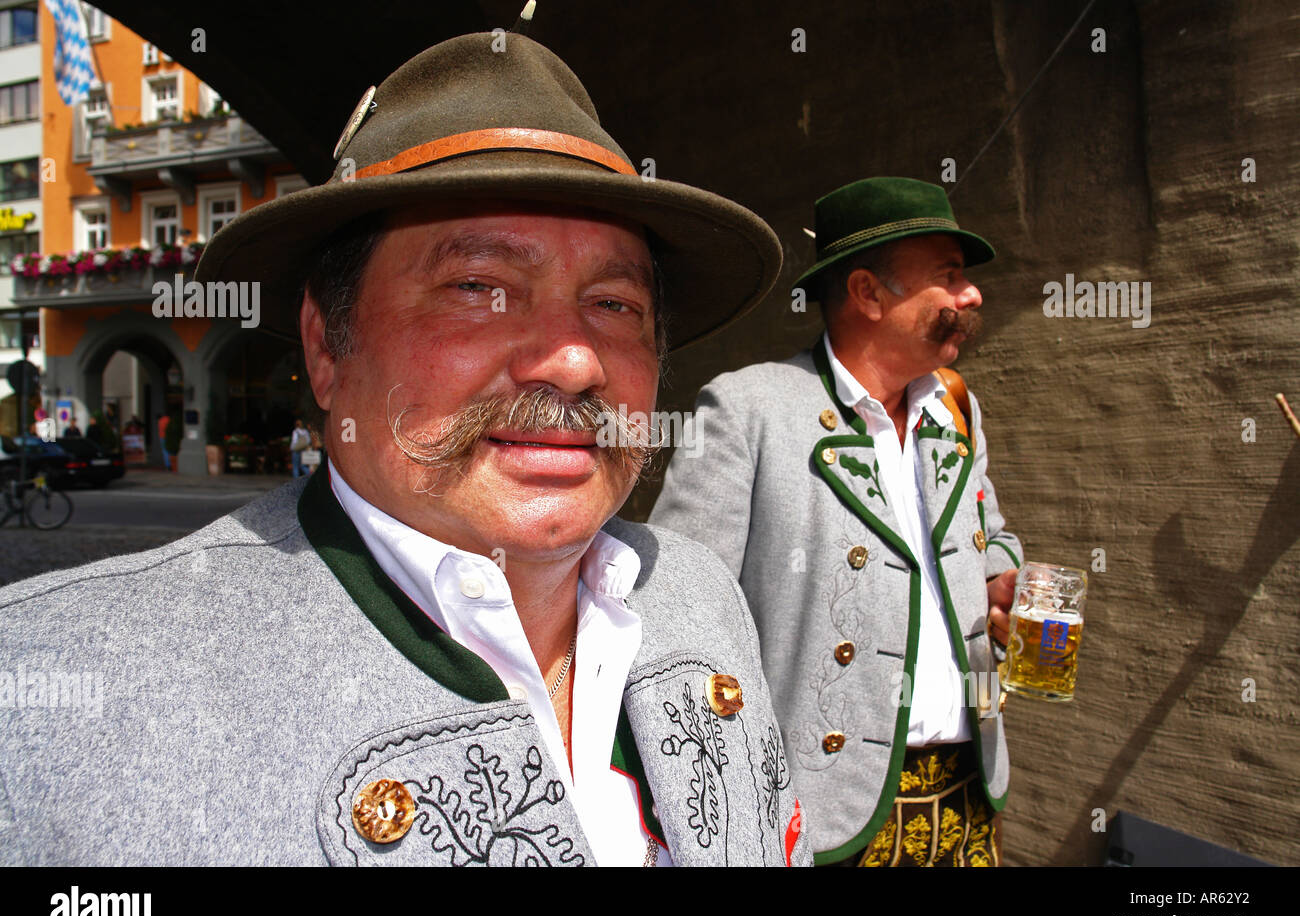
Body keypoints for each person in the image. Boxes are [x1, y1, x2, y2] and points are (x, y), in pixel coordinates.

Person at [0, 31, 808, 867]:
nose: (573, 361)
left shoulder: (699, 594)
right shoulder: (51, 702)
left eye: (612, 304)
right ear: (326, 345)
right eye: (478, 289)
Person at [652, 177, 1023, 866]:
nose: (971, 296)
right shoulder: (747, 411)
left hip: (969, 795)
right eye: (948, 276)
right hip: (818, 815)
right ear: (868, 294)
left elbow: (992, 537)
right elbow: (679, 622)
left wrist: (1006, 582)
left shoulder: (958, 411)